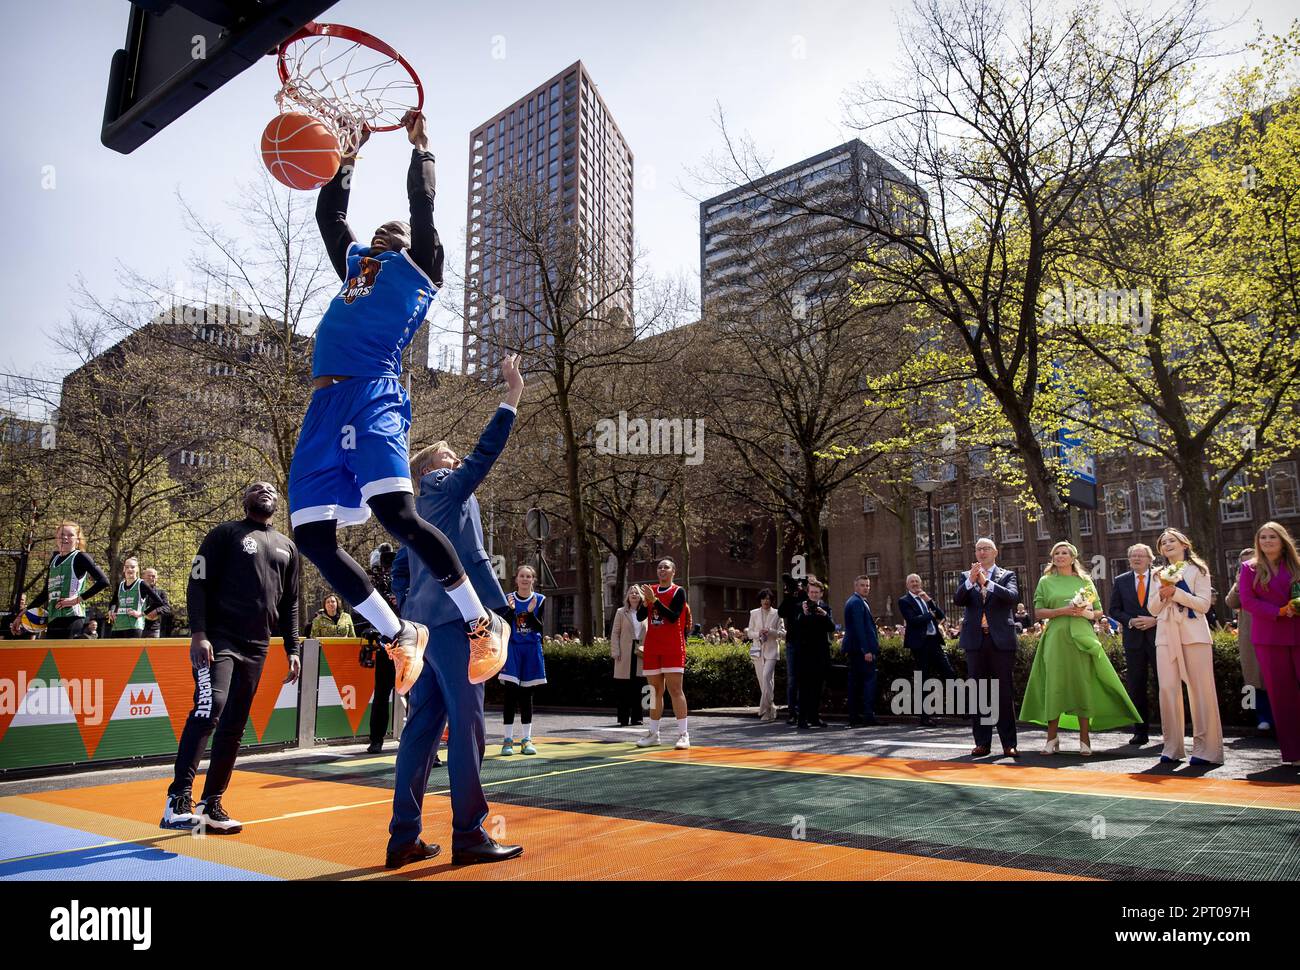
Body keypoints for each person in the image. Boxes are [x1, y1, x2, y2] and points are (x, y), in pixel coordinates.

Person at [288, 109, 506, 699]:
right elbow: (329, 214)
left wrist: (421, 148)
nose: (385, 233)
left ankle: (482, 621)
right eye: (380, 232)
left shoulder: (418, 267)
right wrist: (348, 159)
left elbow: (423, 208)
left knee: (397, 516)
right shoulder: (358, 270)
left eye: (395, 232)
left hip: (373, 394)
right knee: (310, 537)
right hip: (323, 406)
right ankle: (396, 632)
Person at [385, 354, 525, 869]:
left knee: (422, 730)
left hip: (423, 631)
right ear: (433, 471)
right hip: (455, 626)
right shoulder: (443, 488)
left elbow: (400, 570)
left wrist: (408, 610)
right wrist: (511, 396)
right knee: (468, 729)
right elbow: (483, 456)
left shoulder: (415, 513)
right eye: (448, 454)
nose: (455, 456)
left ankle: (404, 837)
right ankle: (468, 833)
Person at [160, 482, 302, 834]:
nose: (265, 489)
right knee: (210, 708)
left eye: (270, 488)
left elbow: (292, 604)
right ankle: (177, 801)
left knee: (235, 725)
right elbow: (198, 584)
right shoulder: (225, 533)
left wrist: (293, 649)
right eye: (256, 487)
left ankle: (211, 805)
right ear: (245, 499)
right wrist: (198, 634)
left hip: (258, 646)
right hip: (218, 640)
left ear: (278, 503)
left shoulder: (288, 547)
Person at [1021, 542, 1141, 756]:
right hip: (1056, 638)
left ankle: (1084, 739)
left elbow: (1098, 611)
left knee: (1082, 683)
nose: (1059, 556)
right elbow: (1038, 612)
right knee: (1054, 684)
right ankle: (1051, 738)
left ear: (1073, 557)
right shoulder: (1045, 581)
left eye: (1064, 553)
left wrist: (1084, 614)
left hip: (1082, 637)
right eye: (1056, 553)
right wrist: (1064, 610)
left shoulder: (1085, 581)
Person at [1149, 528, 1223, 766]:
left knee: (1201, 690)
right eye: (1163, 542)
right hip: (1165, 634)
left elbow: (1203, 605)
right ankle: (1172, 747)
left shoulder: (1198, 570)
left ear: (1184, 544)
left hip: (1194, 634)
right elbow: (1152, 609)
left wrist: (1177, 593)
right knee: (1168, 690)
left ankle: (1207, 749)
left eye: (1172, 540)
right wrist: (1162, 595)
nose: (1167, 544)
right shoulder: (1157, 573)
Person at [1236, 522, 1300, 766]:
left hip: (1298, 631)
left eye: (1272, 536)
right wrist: (1279, 611)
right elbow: (1247, 602)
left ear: (1282, 540)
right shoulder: (1249, 568)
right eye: (1263, 537)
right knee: (1282, 696)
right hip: (1269, 637)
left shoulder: (1296, 565)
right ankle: (1294, 754)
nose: (1267, 541)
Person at [954, 537, 1021, 758]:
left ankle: (1008, 743)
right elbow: (958, 600)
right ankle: (982, 742)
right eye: (978, 549)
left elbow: (1011, 597)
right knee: (979, 692)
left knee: (1003, 693)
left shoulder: (1007, 575)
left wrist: (987, 583)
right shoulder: (966, 576)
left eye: (986, 549)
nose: (981, 553)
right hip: (975, 641)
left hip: (1000, 640)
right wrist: (970, 581)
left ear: (995, 552)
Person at [11, 522, 109, 640]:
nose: (65, 537)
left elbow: (103, 581)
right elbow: (45, 593)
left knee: (66, 656)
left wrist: (77, 600)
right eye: (62, 534)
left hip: (72, 617)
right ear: (56, 538)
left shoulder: (80, 557)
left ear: (78, 540)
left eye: (70, 535)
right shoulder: (54, 559)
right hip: (53, 617)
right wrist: (23, 614)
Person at [635, 559, 691, 749]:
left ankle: (683, 734)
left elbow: (673, 616)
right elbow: (640, 617)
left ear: (673, 571)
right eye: (659, 567)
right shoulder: (650, 590)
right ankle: (653, 733)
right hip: (652, 646)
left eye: (666, 567)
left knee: (675, 690)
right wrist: (644, 603)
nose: (662, 570)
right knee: (654, 691)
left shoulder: (678, 591)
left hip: (673, 646)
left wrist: (654, 601)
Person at [1109, 543, 1159, 746]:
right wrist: (1129, 621)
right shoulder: (1121, 581)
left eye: (1141, 555)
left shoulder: (1160, 578)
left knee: (1163, 685)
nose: (1137, 559)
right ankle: (1140, 731)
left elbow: (1170, 605)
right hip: (1133, 640)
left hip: (1159, 638)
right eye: (1133, 556)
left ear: (1150, 559)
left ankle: (1170, 730)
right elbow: (1114, 609)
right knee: (1136, 685)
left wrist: (1154, 619)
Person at [1225, 547, 1274, 734]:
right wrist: (1238, 584)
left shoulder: (1270, 576)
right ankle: (1262, 717)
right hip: (1249, 634)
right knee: (1254, 678)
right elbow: (1231, 602)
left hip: (1270, 630)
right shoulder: (1240, 581)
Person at [500, 564, 546, 756]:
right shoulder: (508, 598)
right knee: (510, 695)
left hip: (530, 650)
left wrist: (528, 612)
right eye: (522, 576)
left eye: (529, 576)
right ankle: (507, 739)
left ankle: (526, 739)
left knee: (527, 696)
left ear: (533, 580)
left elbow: (539, 628)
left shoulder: (540, 600)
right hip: (513, 649)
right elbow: (503, 622)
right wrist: (511, 610)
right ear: (516, 579)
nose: (525, 579)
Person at [898, 573, 955, 726]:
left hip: (934, 641)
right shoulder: (904, 601)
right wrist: (929, 615)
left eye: (917, 581)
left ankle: (962, 708)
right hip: (919, 644)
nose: (915, 584)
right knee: (923, 679)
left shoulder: (925, 599)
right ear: (907, 585)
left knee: (949, 672)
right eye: (912, 582)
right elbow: (913, 621)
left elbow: (941, 615)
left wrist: (929, 601)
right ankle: (924, 717)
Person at [789, 576, 835, 728]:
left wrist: (825, 615)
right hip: (805, 654)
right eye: (812, 592)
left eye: (817, 592)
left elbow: (831, 628)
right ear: (808, 593)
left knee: (818, 687)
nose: (814, 595)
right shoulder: (799, 607)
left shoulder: (825, 608)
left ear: (821, 593)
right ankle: (802, 719)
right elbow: (796, 628)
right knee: (804, 688)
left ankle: (814, 717)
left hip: (821, 653)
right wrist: (804, 614)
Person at [842, 576, 879, 726]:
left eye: (868, 586)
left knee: (856, 684)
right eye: (863, 585)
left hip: (856, 650)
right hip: (860, 651)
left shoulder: (858, 601)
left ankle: (856, 717)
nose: (866, 588)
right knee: (866, 683)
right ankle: (866, 716)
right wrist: (866, 650)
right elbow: (859, 628)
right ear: (855, 586)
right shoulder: (857, 602)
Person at [746, 588, 784, 721]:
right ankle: (770, 708)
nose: (766, 601)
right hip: (757, 650)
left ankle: (763, 708)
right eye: (763, 598)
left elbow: (783, 633)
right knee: (764, 681)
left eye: (768, 599)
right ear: (760, 600)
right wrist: (758, 633)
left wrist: (771, 631)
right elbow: (749, 632)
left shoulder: (777, 613)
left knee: (766, 675)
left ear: (771, 600)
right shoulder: (754, 613)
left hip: (772, 650)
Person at [106, 557, 167, 639]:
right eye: (127, 567)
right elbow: (113, 601)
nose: (129, 569)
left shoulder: (141, 584)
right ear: (124, 569)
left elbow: (159, 602)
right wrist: (111, 610)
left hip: (134, 626)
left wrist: (141, 614)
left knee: (131, 652)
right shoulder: (120, 584)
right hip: (118, 625)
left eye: (132, 567)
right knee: (114, 651)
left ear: (137, 569)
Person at [611, 586, 645, 726]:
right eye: (631, 593)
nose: (634, 595)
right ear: (627, 596)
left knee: (639, 685)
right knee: (624, 687)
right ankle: (623, 718)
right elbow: (615, 633)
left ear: (641, 596)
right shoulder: (621, 612)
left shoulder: (646, 612)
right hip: (625, 651)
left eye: (637, 593)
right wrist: (616, 651)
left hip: (641, 651)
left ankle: (637, 717)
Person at [778, 576, 805, 724]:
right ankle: (792, 712)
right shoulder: (790, 600)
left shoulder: (805, 598)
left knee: (804, 679)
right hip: (792, 643)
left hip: (805, 644)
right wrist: (789, 595)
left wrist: (801, 592)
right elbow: (781, 612)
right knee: (792, 679)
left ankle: (802, 710)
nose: (798, 588)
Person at [140, 567, 174, 638]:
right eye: (149, 576)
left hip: (154, 629)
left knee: (153, 649)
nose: (151, 578)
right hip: (138, 627)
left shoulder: (161, 592)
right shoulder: (137, 591)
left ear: (156, 579)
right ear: (143, 577)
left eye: (153, 576)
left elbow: (167, 607)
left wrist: (156, 611)